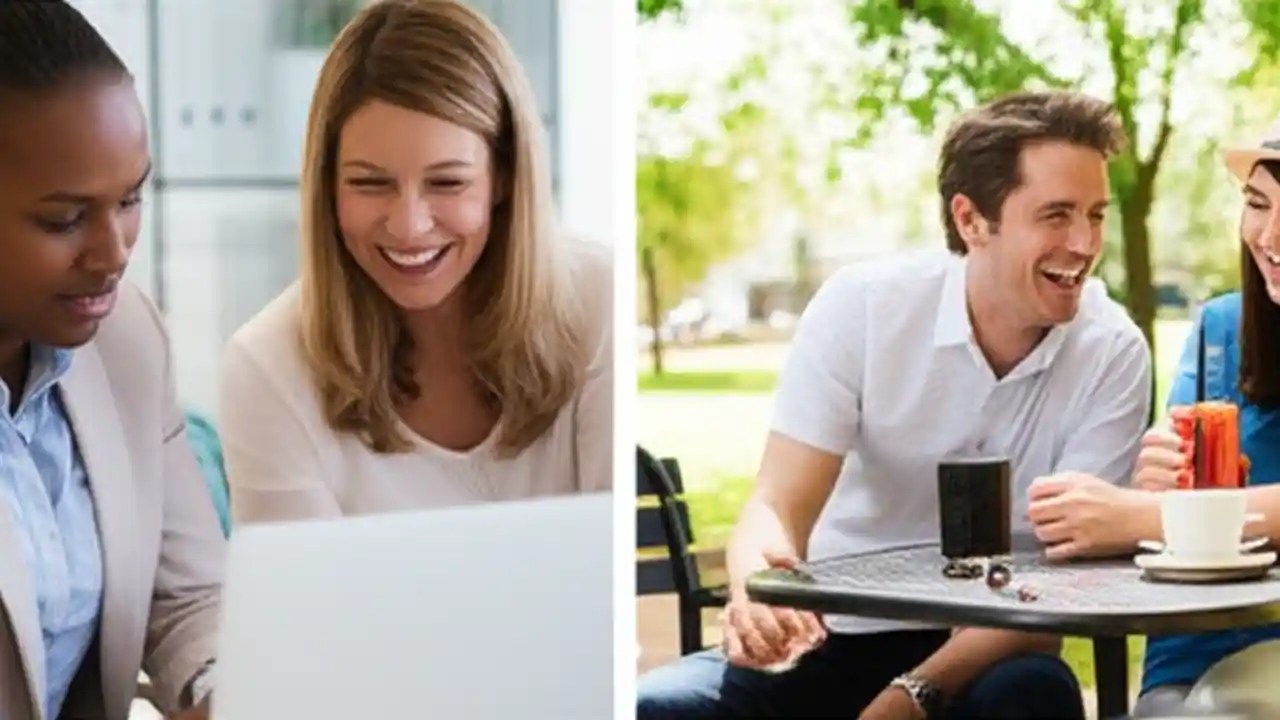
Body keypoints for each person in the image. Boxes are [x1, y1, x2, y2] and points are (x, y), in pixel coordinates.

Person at [636, 90, 1153, 719]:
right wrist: (755, 592)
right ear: (971, 220)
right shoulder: (863, 307)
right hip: (834, 634)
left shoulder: (1112, 351)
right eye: (1056, 214)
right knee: (654, 707)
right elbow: (775, 504)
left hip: (990, 650)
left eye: (1096, 215)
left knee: (1032, 695)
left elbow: (1068, 584)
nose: (1083, 242)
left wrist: (910, 697)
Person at [218, 0, 612, 524]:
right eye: (369, 183)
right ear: (328, 186)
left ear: (504, 177)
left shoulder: (600, 301)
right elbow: (308, 603)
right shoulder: (267, 367)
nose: (408, 225)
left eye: (447, 182)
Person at [0, 3, 225, 719]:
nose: (114, 253)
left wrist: (225, 692)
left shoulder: (126, 340)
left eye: (129, 199)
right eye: (64, 219)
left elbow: (190, 597)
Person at [1030, 125, 1280, 717]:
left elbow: (1161, 520)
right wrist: (1161, 484)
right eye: (1257, 206)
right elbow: (1177, 500)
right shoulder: (1222, 333)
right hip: (1193, 656)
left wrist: (1143, 515)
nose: (1270, 236)